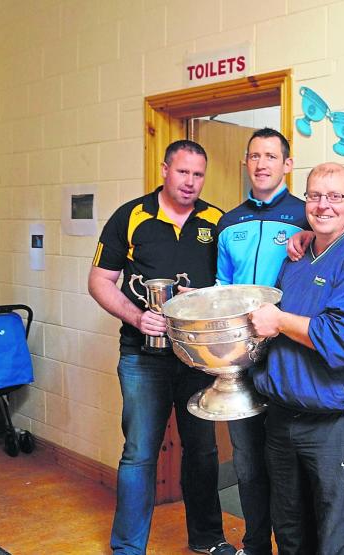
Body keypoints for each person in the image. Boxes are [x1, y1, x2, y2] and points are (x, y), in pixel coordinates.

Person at [88, 140, 236, 555]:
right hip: (142, 358)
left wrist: (200, 298)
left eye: (198, 174)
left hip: (197, 360)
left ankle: (207, 541)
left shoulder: (215, 221)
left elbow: (228, 288)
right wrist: (137, 317)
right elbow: (99, 281)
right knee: (138, 454)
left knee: (203, 452)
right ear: (165, 170)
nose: (190, 182)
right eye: (182, 171)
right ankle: (128, 548)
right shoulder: (131, 217)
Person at [248, 162, 344, 554]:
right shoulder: (296, 256)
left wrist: (278, 320)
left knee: (336, 537)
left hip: (331, 424)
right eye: (315, 195)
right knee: (291, 533)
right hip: (280, 418)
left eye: (336, 197)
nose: (323, 205)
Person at [215, 128, 309, 555]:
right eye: (254, 155)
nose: (262, 163)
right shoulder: (228, 221)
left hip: (289, 356)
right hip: (240, 359)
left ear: (287, 164)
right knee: (248, 462)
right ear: (246, 162)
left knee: (288, 464)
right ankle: (254, 546)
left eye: (271, 156)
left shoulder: (308, 216)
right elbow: (220, 289)